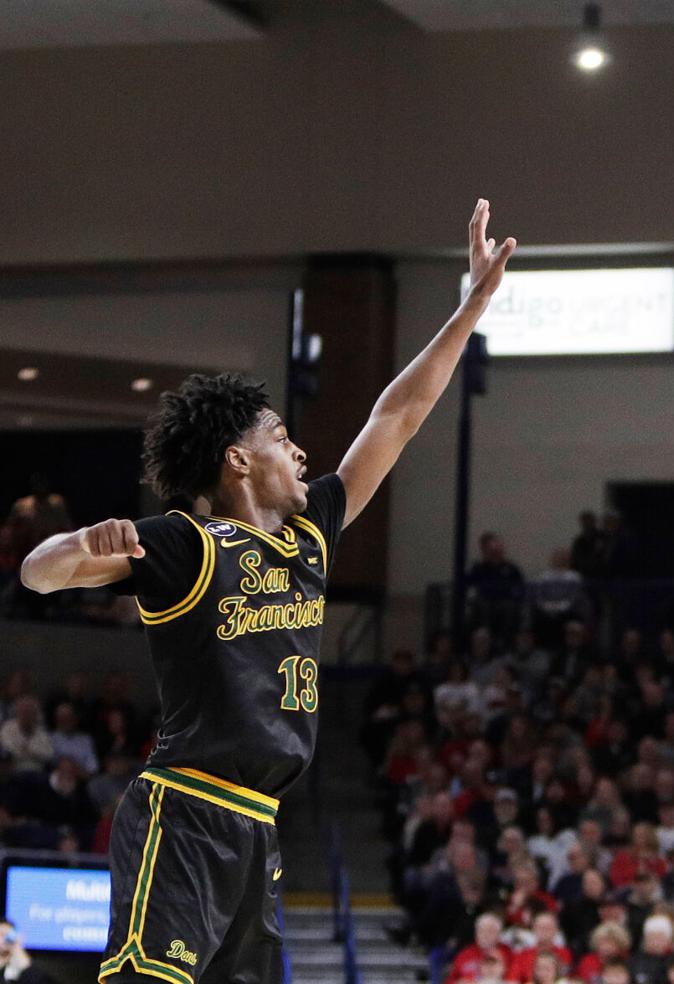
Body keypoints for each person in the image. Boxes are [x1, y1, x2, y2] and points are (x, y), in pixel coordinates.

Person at [20, 200, 515, 984]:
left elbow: (398, 415)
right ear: (238, 461)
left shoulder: (311, 532)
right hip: (186, 811)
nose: (301, 451)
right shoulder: (187, 542)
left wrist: (471, 308)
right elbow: (37, 573)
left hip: (259, 825)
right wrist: (78, 545)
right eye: (282, 438)